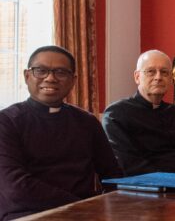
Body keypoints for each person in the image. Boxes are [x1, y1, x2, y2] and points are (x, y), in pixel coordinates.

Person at [0, 46, 122, 220]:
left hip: (85, 213)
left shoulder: (87, 122)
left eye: (61, 72)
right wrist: (82, 206)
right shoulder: (7, 121)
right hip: (27, 214)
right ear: (27, 76)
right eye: (40, 71)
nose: (50, 78)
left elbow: (112, 174)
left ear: (73, 80)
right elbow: (15, 187)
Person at [102, 50, 175, 176]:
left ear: (171, 78)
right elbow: (130, 165)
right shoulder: (116, 114)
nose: (158, 77)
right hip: (143, 189)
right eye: (151, 71)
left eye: (164, 72)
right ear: (137, 77)